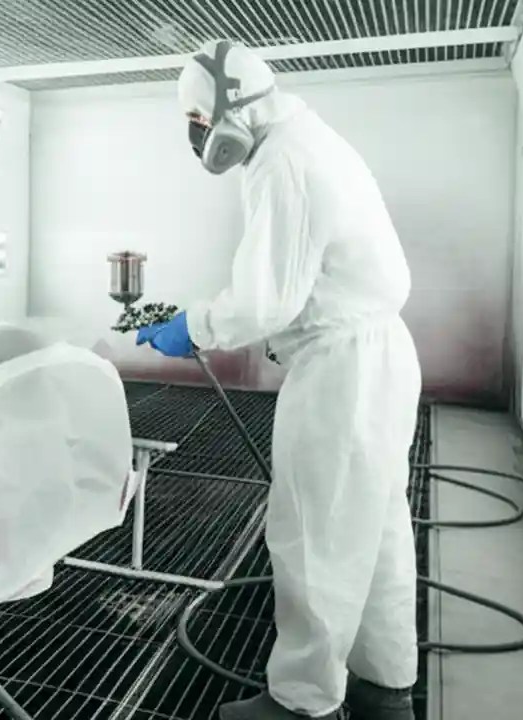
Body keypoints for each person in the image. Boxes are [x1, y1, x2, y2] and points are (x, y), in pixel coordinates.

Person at [135, 40, 423, 720]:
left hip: (340, 371)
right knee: (372, 526)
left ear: (229, 112)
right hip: (377, 354)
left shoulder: (282, 161)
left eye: (198, 122)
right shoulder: (307, 136)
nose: (198, 138)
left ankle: (301, 702)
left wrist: (194, 326)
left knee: (313, 532)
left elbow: (268, 300)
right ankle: (385, 681)